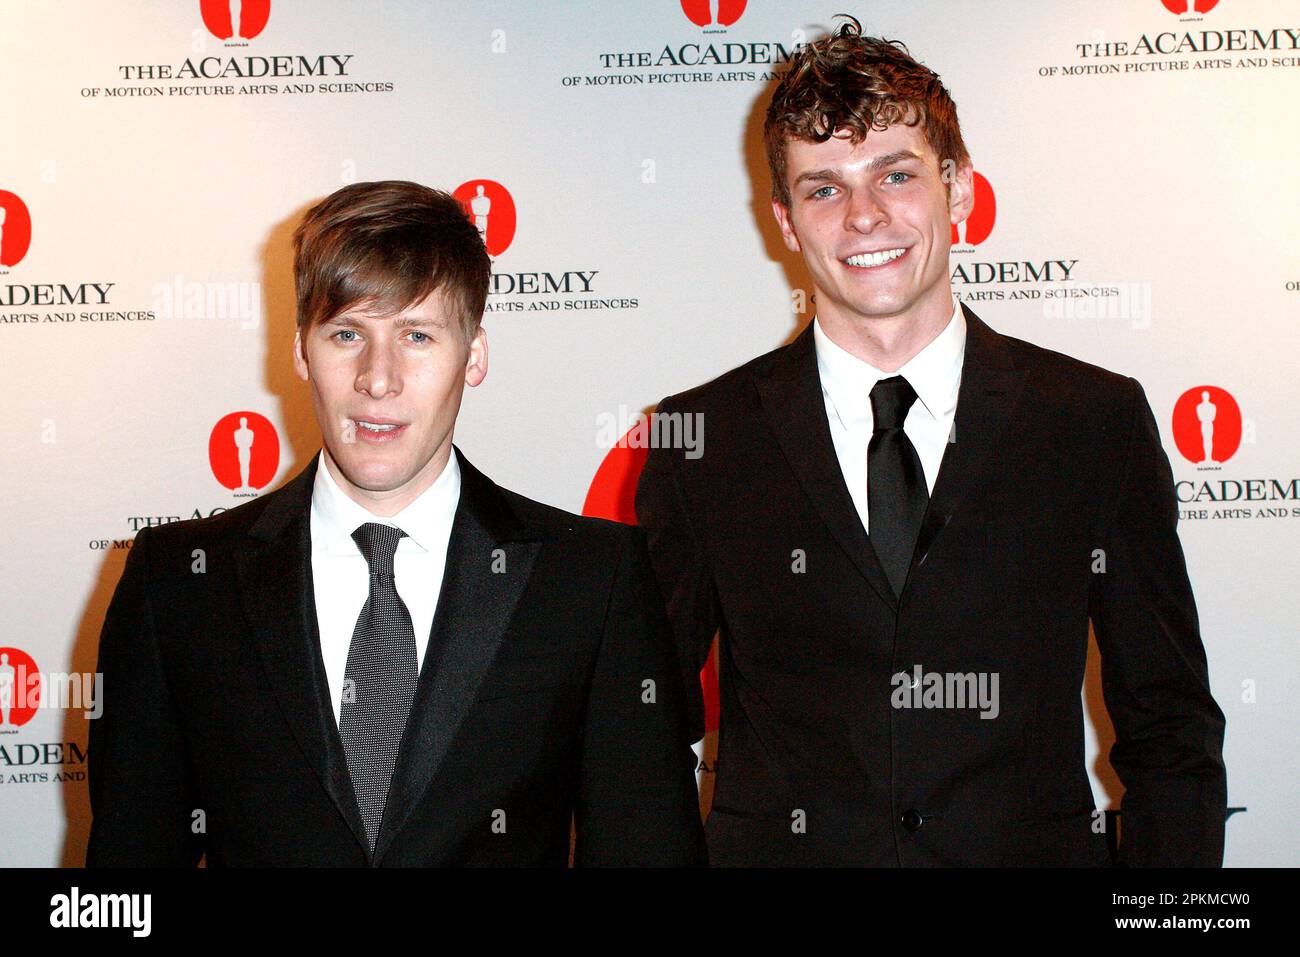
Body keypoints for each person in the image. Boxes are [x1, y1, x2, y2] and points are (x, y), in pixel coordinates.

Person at [635, 17, 1226, 867]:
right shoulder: (703, 440)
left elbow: (1171, 725)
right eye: (825, 188)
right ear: (786, 221)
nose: (866, 215)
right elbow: (637, 724)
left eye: (897, 174)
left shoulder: (1092, 421)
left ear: (959, 191)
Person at [87, 180, 705, 867]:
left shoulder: (592, 578)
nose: (377, 379)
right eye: (347, 333)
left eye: (416, 335)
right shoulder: (177, 581)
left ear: (473, 356)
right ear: (300, 351)